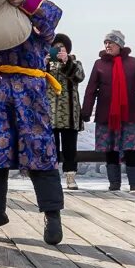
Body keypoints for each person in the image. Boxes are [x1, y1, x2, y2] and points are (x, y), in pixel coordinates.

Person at [0, 0, 65, 244]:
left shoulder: (37, 13)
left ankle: (52, 215)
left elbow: (52, 19)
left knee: (39, 149)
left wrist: (28, 2)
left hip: (29, 92)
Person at [82, 31, 135, 191]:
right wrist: (86, 110)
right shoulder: (99, 64)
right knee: (110, 150)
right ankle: (114, 183)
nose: (107, 45)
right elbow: (91, 89)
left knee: (130, 149)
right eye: (105, 43)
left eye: (111, 42)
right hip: (106, 115)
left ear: (120, 45)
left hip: (128, 114)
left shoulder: (133, 63)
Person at [48, 33, 85, 190]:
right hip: (50, 114)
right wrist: (43, 63)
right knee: (52, 148)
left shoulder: (75, 62)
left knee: (70, 148)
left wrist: (66, 62)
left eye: (61, 48)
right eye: (55, 47)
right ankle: (52, 178)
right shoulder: (46, 64)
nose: (58, 50)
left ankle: (70, 177)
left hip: (69, 114)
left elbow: (79, 77)